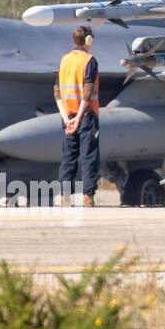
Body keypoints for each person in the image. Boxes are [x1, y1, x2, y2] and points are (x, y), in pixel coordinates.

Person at [55, 26, 101, 207]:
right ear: (88, 40)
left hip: (67, 114)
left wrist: (67, 119)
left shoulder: (64, 60)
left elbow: (57, 92)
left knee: (68, 156)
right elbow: (87, 93)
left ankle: (64, 198)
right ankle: (88, 197)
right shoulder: (89, 60)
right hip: (86, 115)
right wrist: (79, 117)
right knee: (89, 156)